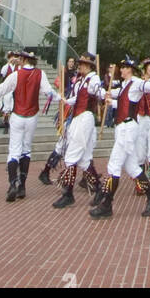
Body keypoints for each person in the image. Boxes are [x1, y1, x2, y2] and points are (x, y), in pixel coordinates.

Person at [0, 49, 59, 201]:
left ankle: (13, 183)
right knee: (26, 150)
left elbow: (0, 91)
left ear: (24, 60)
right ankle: (22, 186)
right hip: (32, 116)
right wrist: (62, 98)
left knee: (14, 150)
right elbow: (49, 92)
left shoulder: (16, 75)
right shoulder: (40, 74)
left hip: (18, 115)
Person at [89, 56, 150, 219]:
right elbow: (121, 103)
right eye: (121, 67)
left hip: (129, 129)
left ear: (130, 69)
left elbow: (147, 86)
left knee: (114, 165)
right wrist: (106, 98)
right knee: (133, 167)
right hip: (125, 127)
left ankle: (107, 204)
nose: (120, 69)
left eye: (123, 67)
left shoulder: (135, 82)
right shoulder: (124, 85)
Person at [50, 53, 106, 209]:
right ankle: (100, 189)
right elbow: (76, 99)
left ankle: (68, 194)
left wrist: (104, 95)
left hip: (85, 118)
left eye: (81, 64)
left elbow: (97, 91)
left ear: (88, 66)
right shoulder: (80, 81)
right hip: (78, 118)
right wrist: (64, 100)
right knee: (84, 159)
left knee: (71, 156)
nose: (79, 66)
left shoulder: (93, 79)